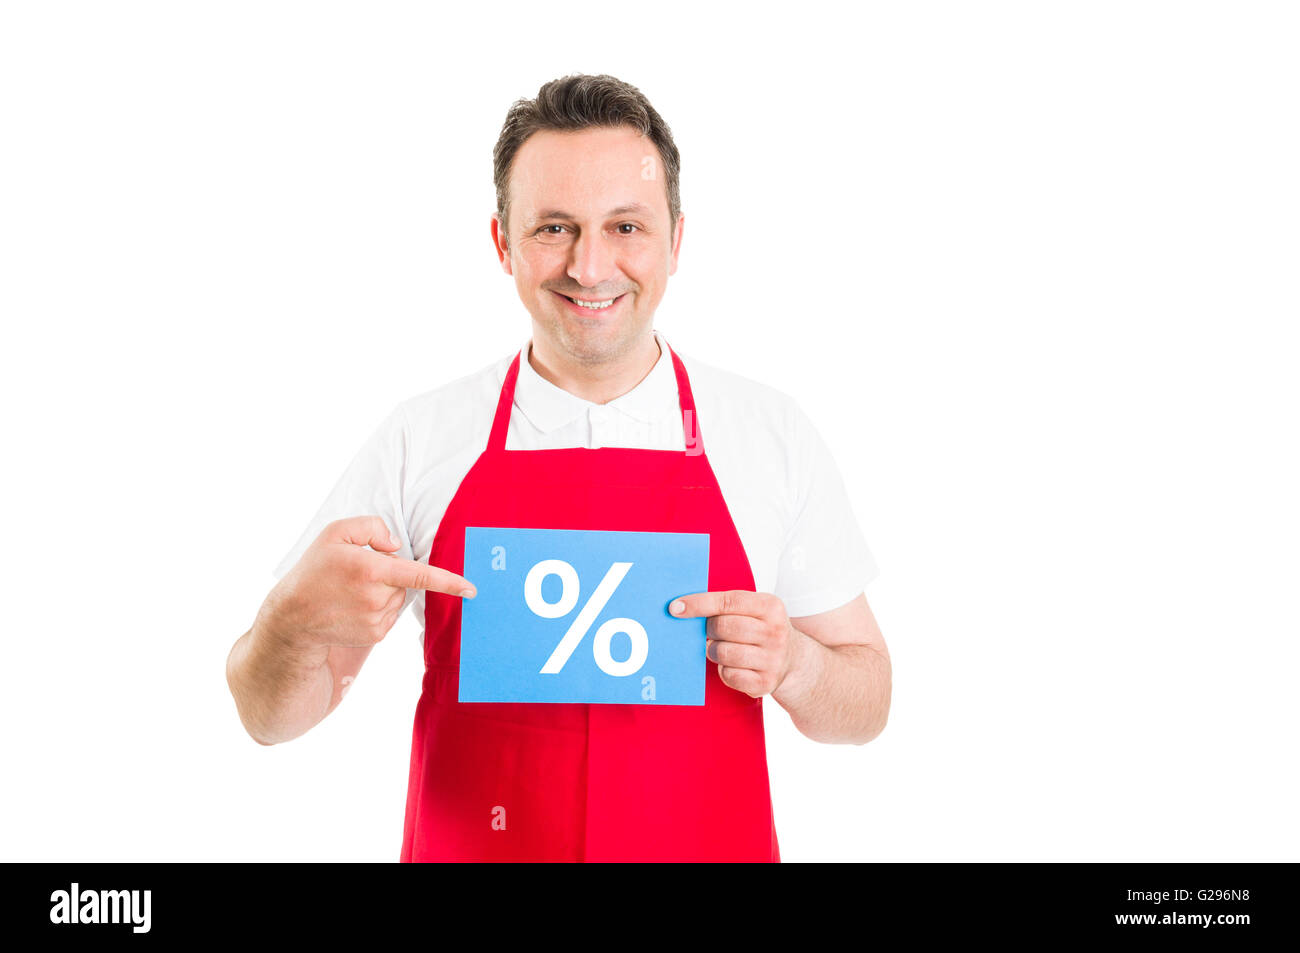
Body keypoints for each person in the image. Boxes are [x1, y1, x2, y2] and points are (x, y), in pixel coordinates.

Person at [225, 73, 891, 862]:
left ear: (676, 240)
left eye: (625, 226)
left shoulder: (768, 433)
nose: (591, 265)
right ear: (502, 241)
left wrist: (797, 664)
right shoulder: (421, 438)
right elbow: (269, 715)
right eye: (553, 228)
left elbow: (869, 696)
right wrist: (290, 626)